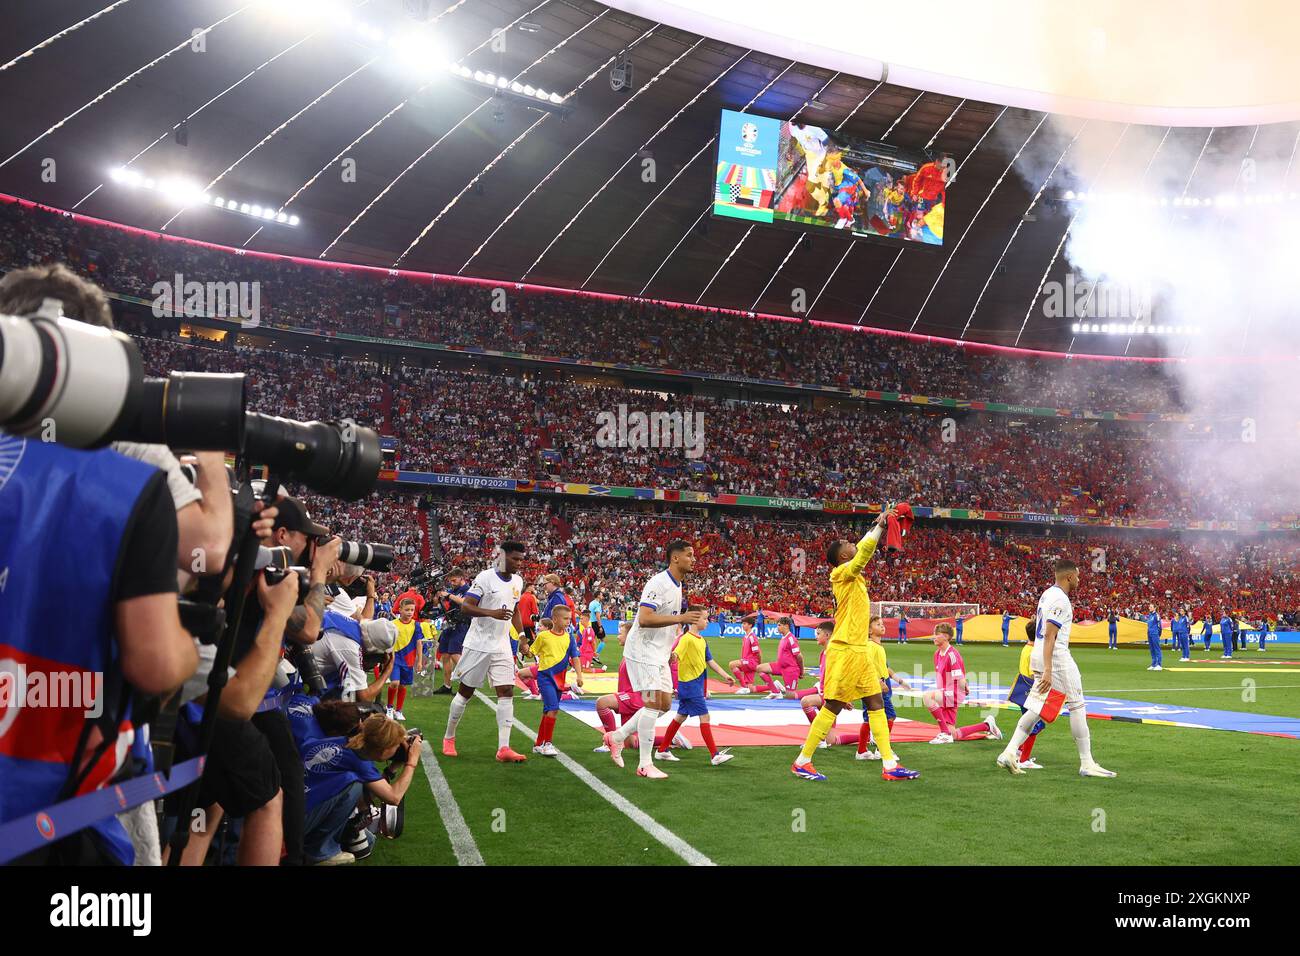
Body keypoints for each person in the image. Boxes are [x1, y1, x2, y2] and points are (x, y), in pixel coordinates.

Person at [791, 508, 919, 782]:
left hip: (857, 649)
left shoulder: (849, 573)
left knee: (875, 704)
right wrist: (879, 529)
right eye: (849, 545)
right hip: (846, 648)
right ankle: (803, 760)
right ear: (843, 556)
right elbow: (863, 554)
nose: (854, 543)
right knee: (833, 705)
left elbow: (860, 548)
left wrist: (880, 523)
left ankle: (889, 764)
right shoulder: (840, 573)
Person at [995, 559, 1116, 778]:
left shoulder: (1047, 594)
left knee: (1035, 708)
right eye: (1077, 576)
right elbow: (1051, 634)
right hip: (1056, 658)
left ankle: (1010, 751)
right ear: (1069, 577)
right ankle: (1087, 762)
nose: (1079, 580)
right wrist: (1050, 669)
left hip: (1038, 654)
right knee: (1077, 706)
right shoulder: (1061, 599)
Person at [602, 540, 709, 779]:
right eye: (689, 555)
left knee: (664, 705)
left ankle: (616, 737)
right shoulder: (658, 583)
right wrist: (681, 617)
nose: (693, 559)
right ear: (675, 558)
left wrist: (668, 648)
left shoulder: (678, 584)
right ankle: (644, 764)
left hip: (658, 653)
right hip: (643, 651)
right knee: (651, 704)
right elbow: (645, 618)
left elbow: (664, 620)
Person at [442, 543, 527, 762]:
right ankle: (449, 737)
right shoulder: (485, 577)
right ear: (502, 557)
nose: (519, 563)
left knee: (507, 691)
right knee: (465, 692)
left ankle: (504, 748)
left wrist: (523, 635)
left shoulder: (518, 581)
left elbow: (515, 610)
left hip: (502, 645)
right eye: (515, 559)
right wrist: (492, 613)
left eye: (521, 559)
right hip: (478, 643)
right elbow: (466, 607)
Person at [301, 714, 423, 865]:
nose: (399, 747)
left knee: (357, 786)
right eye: (396, 745)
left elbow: (375, 787)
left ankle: (323, 841)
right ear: (383, 750)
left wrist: (393, 767)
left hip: (289, 810)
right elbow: (393, 797)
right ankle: (319, 852)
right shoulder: (359, 763)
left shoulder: (341, 743)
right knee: (352, 785)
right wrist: (412, 762)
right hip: (298, 822)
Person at [655, 605, 736, 766]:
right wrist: (672, 656)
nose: (707, 621)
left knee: (680, 717)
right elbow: (676, 654)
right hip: (690, 685)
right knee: (704, 716)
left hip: (695, 685)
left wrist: (725, 675)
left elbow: (710, 661)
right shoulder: (686, 639)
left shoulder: (702, 640)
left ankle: (662, 750)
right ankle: (715, 754)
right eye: (705, 618)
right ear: (693, 619)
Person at [520, 605, 584, 756]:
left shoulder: (569, 637)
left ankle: (538, 744)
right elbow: (532, 653)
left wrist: (580, 675)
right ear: (555, 619)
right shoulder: (543, 636)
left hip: (560, 679)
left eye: (570, 618)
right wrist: (526, 649)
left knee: (548, 710)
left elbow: (575, 657)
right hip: (545, 677)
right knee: (553, 708)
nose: (569, 621)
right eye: (566, 618)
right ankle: (547, 743)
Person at [923, 623, 1000, 743]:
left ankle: (944, 733)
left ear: (945, 637)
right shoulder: (937, 654)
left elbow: (959, 677)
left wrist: (964, 688)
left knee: (927, 697)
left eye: (936, 635)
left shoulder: (952, 655)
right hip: (945, 692)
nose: (934, 637)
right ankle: (987, 726)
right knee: (954, 734)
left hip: (953, 692)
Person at [857, 615, 915, 759]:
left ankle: (862, 751)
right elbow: (866, 666)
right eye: (877, 624)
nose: (882, 626)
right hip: (875, 685)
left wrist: (900, 681)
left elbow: (885, 667)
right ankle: (882, 748)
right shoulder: (871, 646)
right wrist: (878, 681)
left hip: (872, 685)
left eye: (882, 624)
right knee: (890, 716)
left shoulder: (877, 646)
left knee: (869, 718)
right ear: (869, 631)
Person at [1009, 618, 1046, 770]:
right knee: (1033, 725)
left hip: (1022, 691)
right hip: (1030, 693)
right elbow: (1033, 675)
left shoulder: (1026, 648)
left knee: (1035, 724)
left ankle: (1018, 751)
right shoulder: (1034, 652)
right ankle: (1024, 759)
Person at [387, 598, 428, 719]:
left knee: (402, 685)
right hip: (395, 659)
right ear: (400, 610)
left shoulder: (416, 625)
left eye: (412, 610)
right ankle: (389, 707)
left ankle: (399, 710)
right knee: (395, 683)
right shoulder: (393, 624)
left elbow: (419, 643)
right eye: (407, 610)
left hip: (409, 660)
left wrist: (419, 661)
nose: (410, 612)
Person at [433, 568, 469, 695]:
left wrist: (449, 596)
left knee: (455, 653)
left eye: (454, 580)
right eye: (451, 581)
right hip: (449, 623)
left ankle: (467, 685)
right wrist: (437, 597)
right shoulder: (453, 590)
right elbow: (438, 603)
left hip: (461, 624)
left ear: (461, 577)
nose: (452, 583)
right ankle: (447, 686)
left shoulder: (467, 589)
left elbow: (466, 602)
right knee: (445, 655)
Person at [755, 617, 803, 698]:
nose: (777, 627)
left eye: (779, 625)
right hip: (780, 666)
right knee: (759, 668)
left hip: (790, 669)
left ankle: (816, 690)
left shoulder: (791, 638)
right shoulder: (784, 637)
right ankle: (775, 692)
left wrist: (801, 671)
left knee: (790, 696)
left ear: (786, 626)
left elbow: (799, 656)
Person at [728, 618, 761, 694]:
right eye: (742, 623)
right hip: (747, 662)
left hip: (751, 662)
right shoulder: (745, 637)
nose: (742, 625)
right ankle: (775, 686)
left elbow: (757, 652)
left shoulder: (752, 637)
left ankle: (743, 687)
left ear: (750, 625)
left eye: (744, 624)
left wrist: (759, 664)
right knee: (751, 688)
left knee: (732, 664)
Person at [1144, 604, 1163, 671]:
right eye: (1149, 607)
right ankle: (1153, 664)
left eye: (1151, 607)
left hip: (1155, 633)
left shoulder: (1156, 615)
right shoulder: (1150, 615)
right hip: (1149, 633)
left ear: (1154, 608)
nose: (1149, 608)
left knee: (1157, 648)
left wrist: (1158, 633)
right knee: (1152, 649)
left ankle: (1159, 664)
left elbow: (1159, 625)